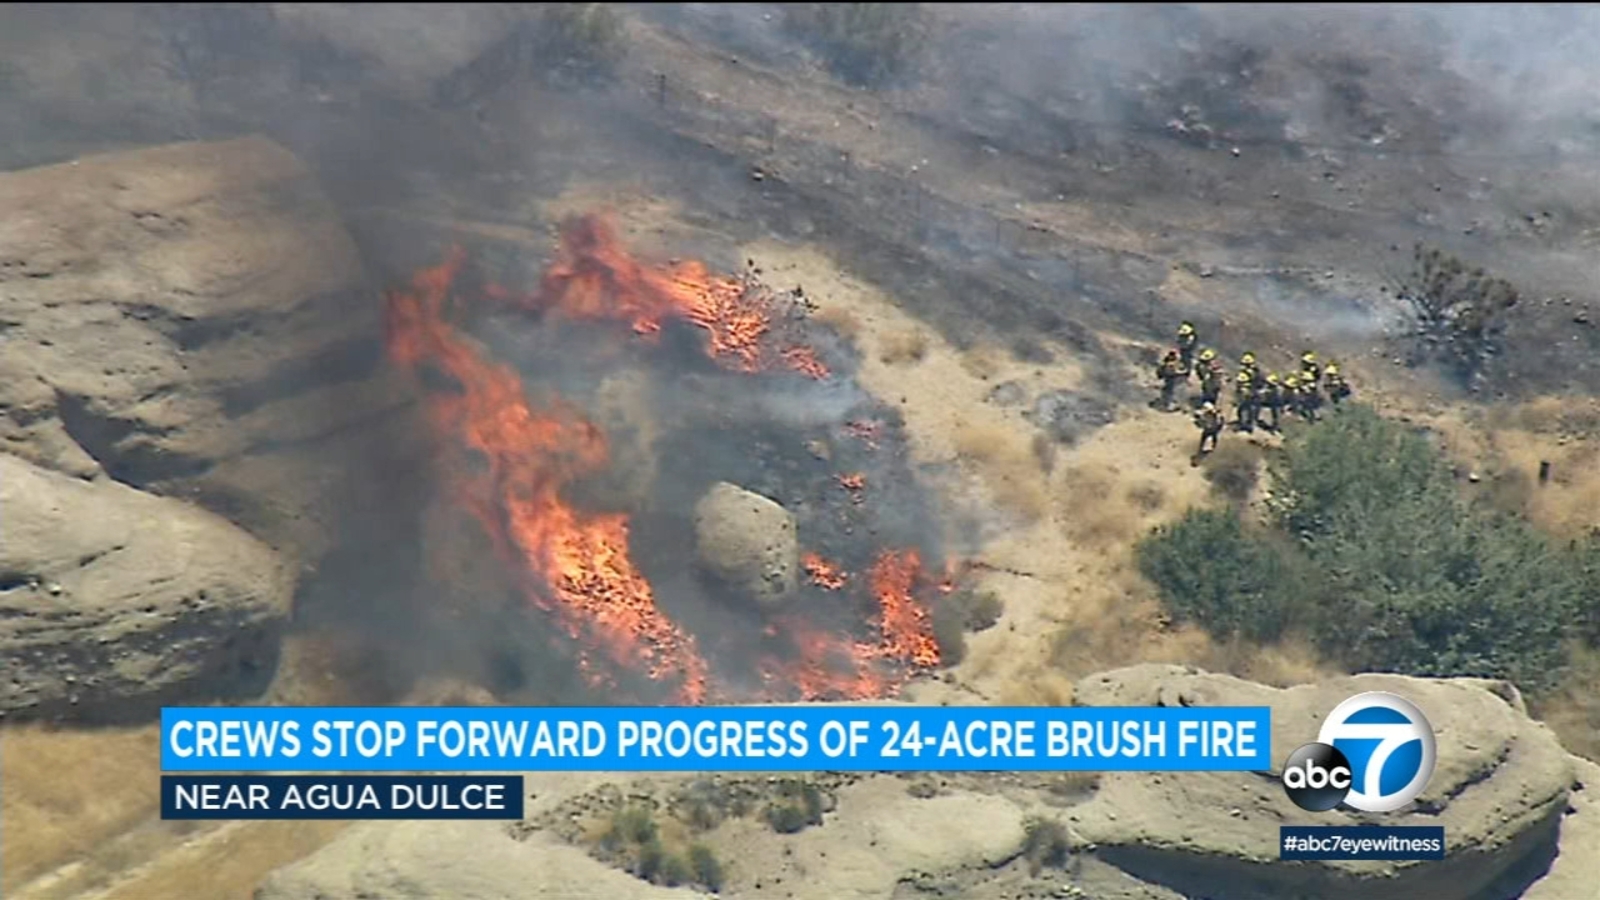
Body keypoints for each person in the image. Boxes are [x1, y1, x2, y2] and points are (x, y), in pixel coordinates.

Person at [1233, 368, 1258, 432]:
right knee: (1241, 412)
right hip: (1246, 403)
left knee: (1244, 412)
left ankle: (1245, 425)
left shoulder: (1244, 389)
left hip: (1246, 403)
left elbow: (1245, 397)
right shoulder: (1245, 388)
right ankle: (1245, 424)